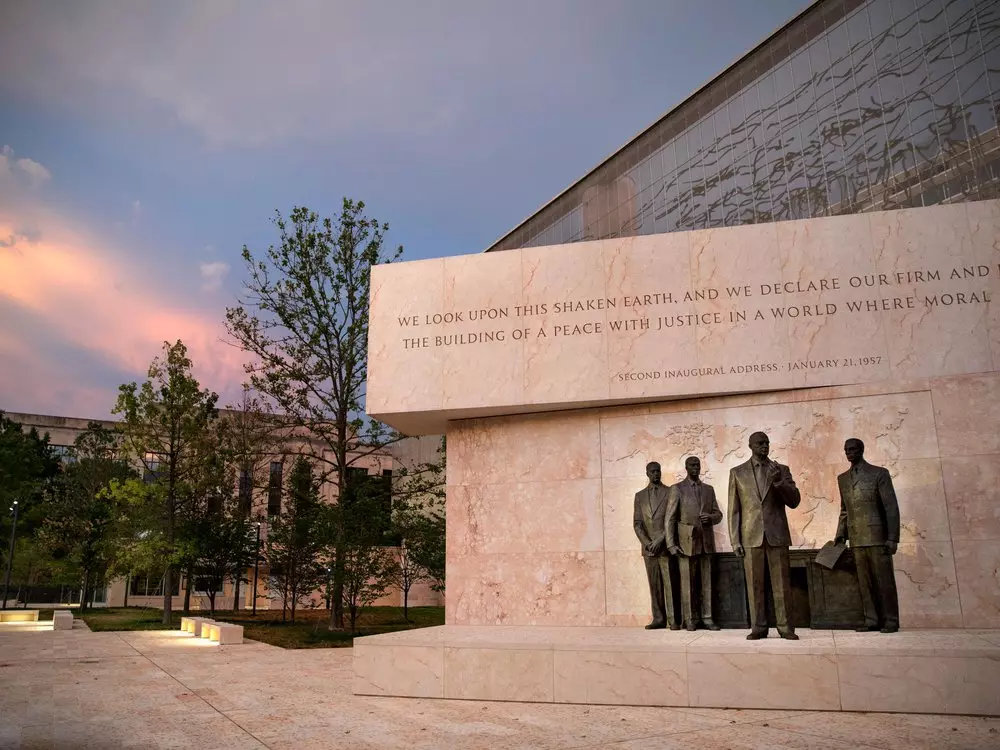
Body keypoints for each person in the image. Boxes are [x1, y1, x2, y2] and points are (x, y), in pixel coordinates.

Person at [728, 431, 801, 640]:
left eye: (767, 443)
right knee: (755, 585)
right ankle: (758, 627)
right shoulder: (737, 473)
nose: (764, 446)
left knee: (782, 585)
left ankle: (786, 628)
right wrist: (735, 541)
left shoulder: (781, 470)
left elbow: (794, 501)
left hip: (777, 535)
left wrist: (779, 483)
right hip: (750, 536)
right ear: (750, 446)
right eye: (760, 443)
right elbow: (735, 510)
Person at [835, 437, 901, 633]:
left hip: (878, 537)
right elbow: (844, 510)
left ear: (862, 450)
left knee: (884, 581)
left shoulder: (879, 474)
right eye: (847, 449)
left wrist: (892, 538)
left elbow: (891, 508)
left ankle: (890, 620)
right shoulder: (842, 479)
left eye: (854, 449)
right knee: (864, 583)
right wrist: (840, 534)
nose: (850, 452)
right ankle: (871, 619)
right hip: (856, 539)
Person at [666, 456, 723, 631]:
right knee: (687, 583)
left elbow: (718, 514)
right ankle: (689, 619)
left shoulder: (709, 489)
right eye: (692, 465)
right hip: (685, 543)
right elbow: (670, 518)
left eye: (698, 465)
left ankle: (707, 618)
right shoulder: (677, 489)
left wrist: (711, 517)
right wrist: (671, 544)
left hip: (706, 542)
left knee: (706, 582)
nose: (695, 468)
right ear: (686, 467)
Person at [633, 461, 678, 630]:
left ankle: (673, 619)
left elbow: (673, 520)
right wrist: (647, 543)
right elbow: (637, 523)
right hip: (649, 549)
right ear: (647, 473)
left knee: (670, 584)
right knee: (654, 585)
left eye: (658, 471)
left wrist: (661, 539)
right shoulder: (640, 496)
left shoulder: (670, 492)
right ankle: (658, 618)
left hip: (665, 545)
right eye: (652, 471)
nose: (656, 474)